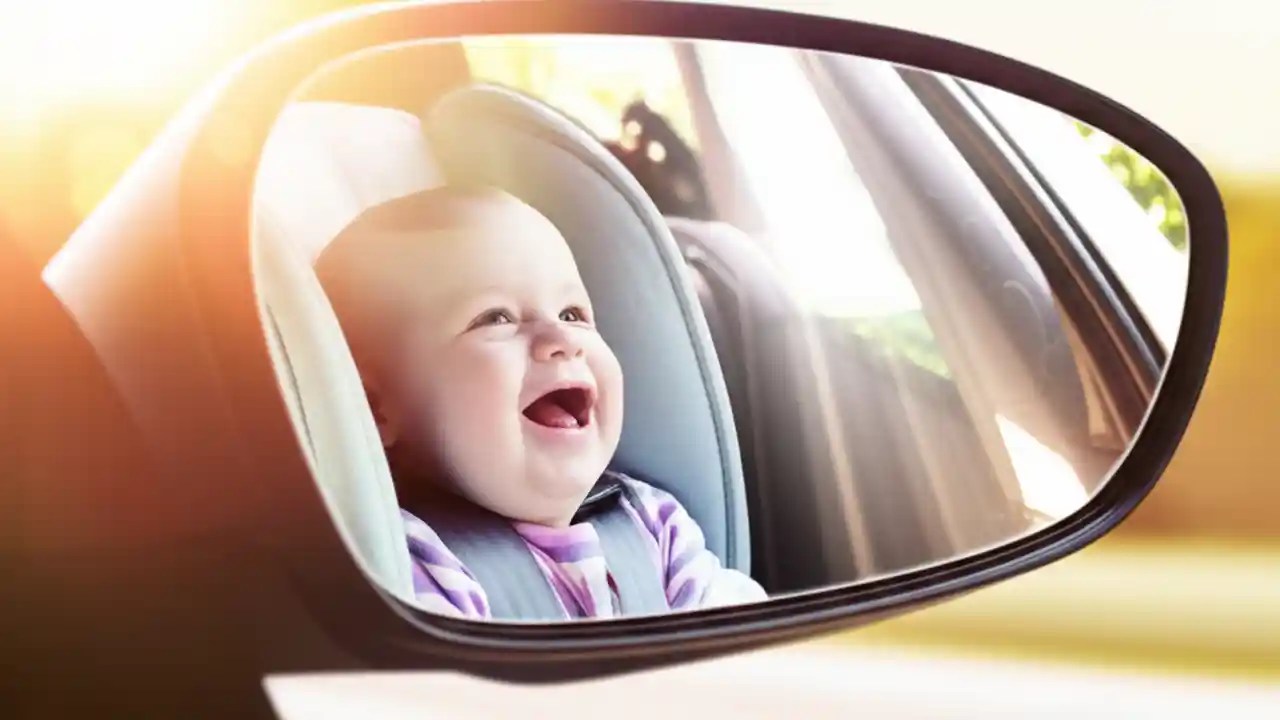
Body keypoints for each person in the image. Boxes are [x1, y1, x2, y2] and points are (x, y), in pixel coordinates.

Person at [315, 184, 765, 620]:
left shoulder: (653, 524)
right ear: (375, 409)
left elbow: (749, 658)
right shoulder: (410, 563)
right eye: (495, 318)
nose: (562, 339)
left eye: (572, 313)